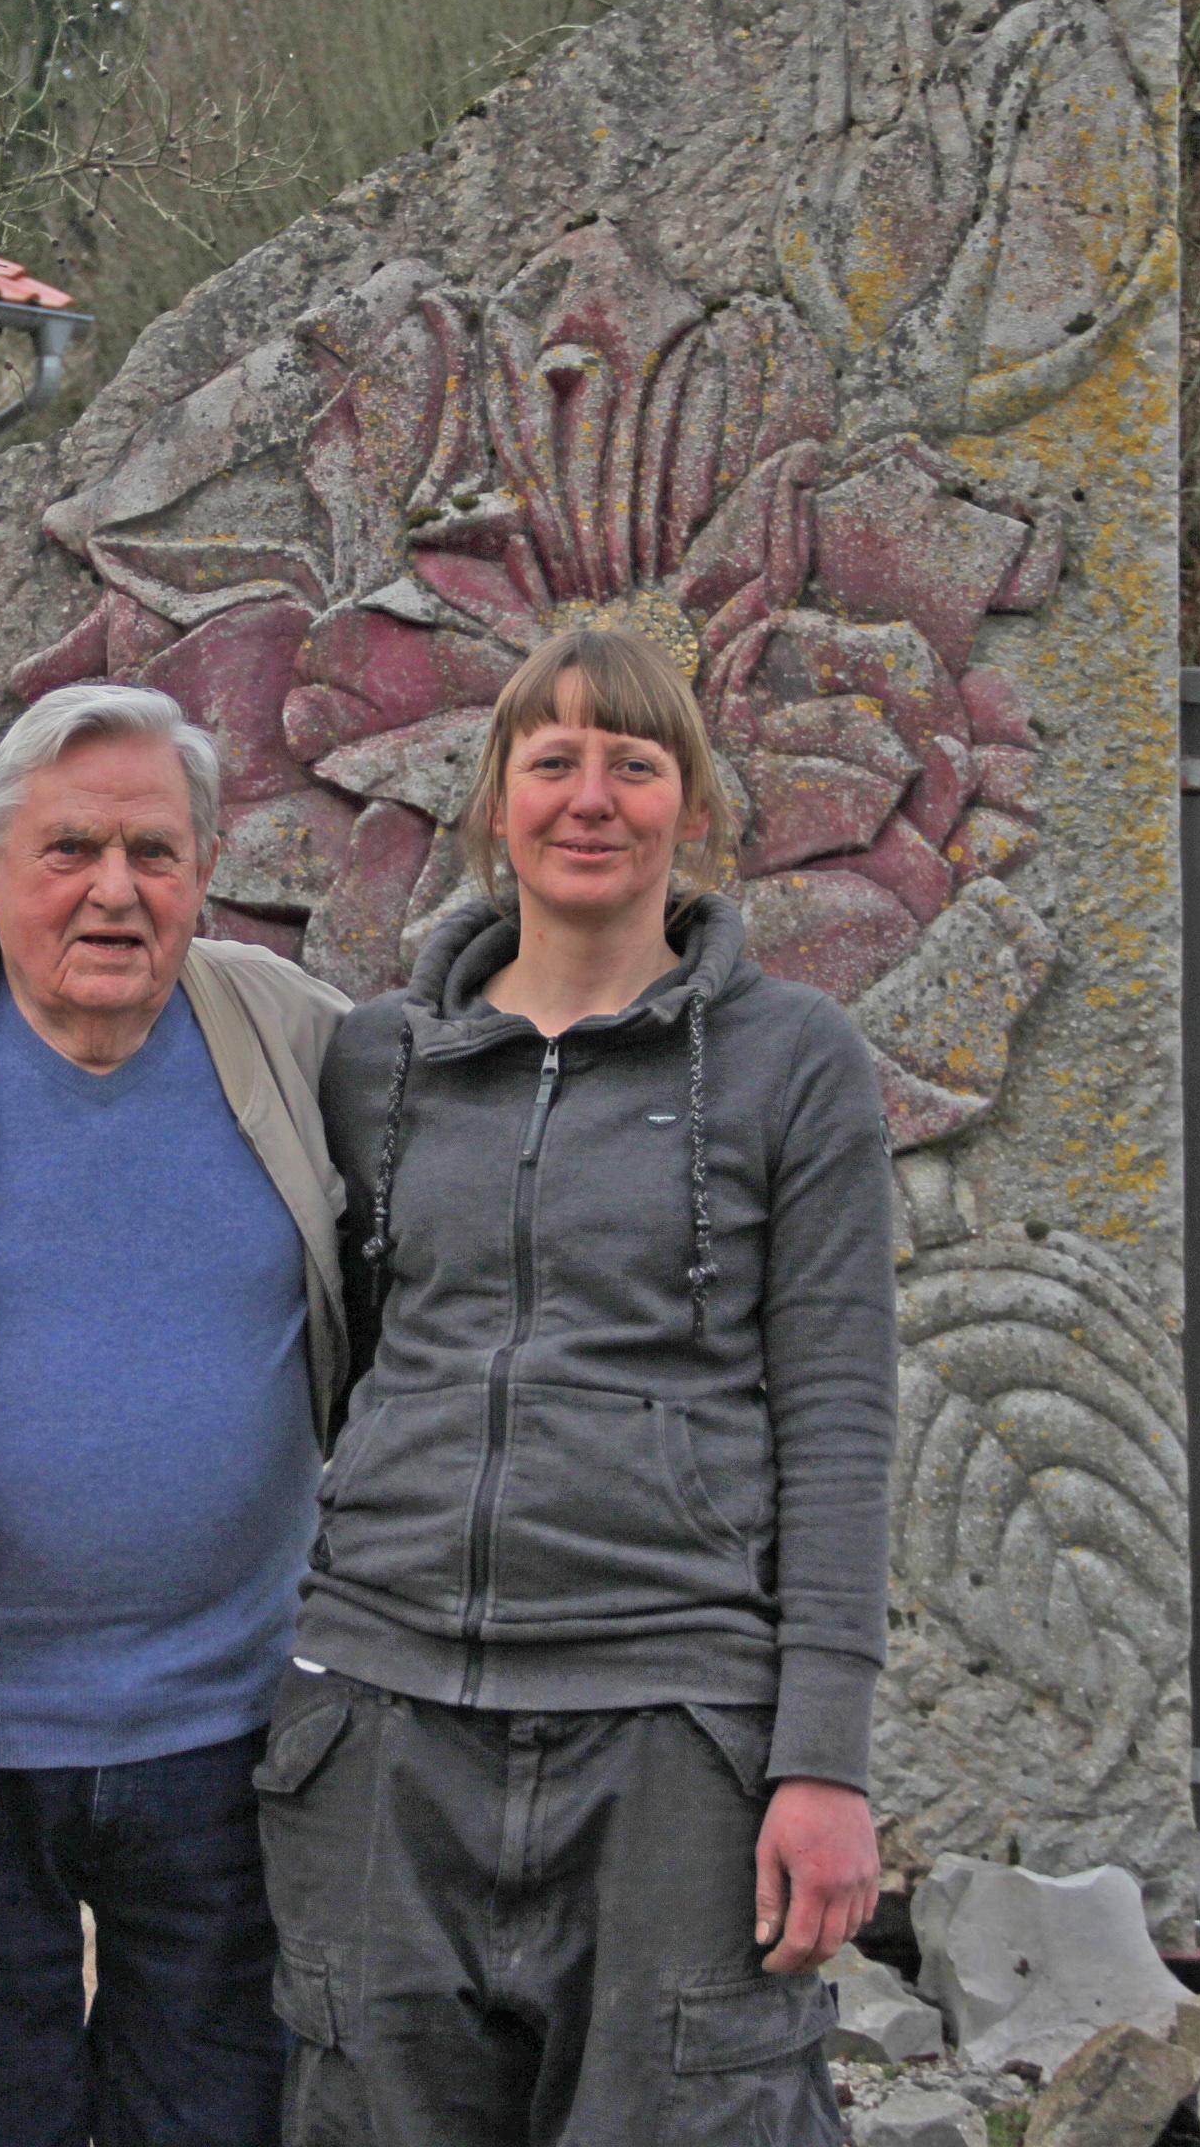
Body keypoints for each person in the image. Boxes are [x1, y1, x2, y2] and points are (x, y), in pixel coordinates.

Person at [260, 627, 898, 2147]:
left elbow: (839, 1416)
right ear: (494, 806)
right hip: (386, 1723)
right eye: (551, 761)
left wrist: (821, 1758)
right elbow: (343, 1359)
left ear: (693, 809)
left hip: (670, 1727)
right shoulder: (376, 1066)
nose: (590, 796)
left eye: (634, 761)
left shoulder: (792, 1064)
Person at [0, 684, 350, 2147]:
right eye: (71, 851)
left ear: (205, 871)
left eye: (156, 854)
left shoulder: (300, 1043)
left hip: (226, 1728)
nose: (116, 891)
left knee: (219, 2114)